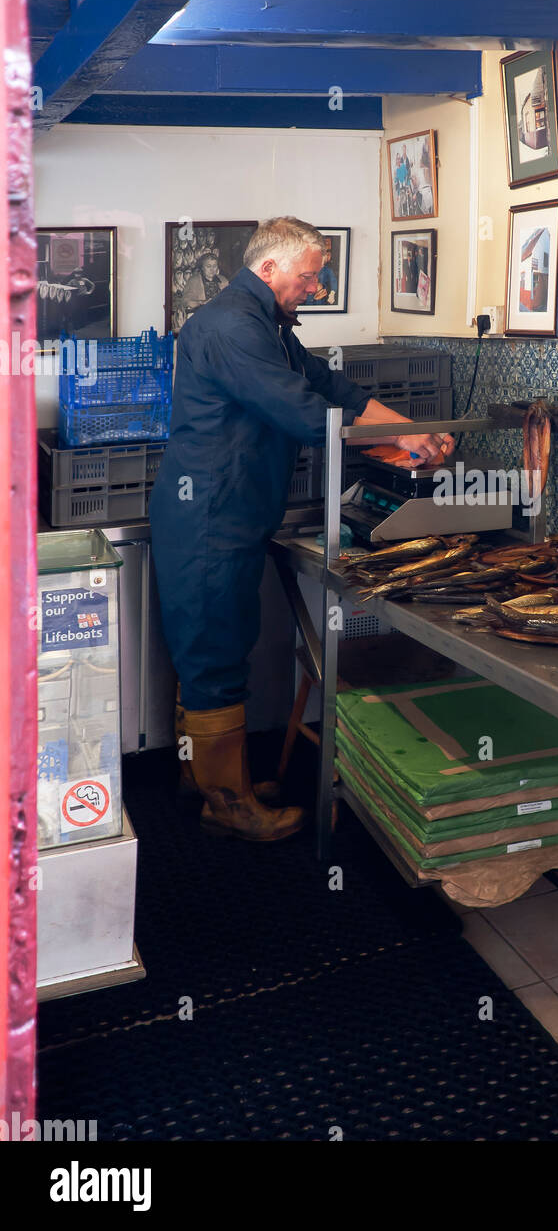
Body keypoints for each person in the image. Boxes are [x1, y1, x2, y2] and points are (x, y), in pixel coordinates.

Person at [149, 217, 454, 842]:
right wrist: (396, 438)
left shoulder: (266, 324)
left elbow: (330, 384)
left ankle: (204, 777)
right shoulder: (234, 326)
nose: (316, 287)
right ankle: (226, 801)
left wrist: (412, 431)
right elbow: (298, 409)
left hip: (233, 511)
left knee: (218, 644)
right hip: (210, 515)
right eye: (309, 276)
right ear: (270, 270)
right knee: (212, 651)